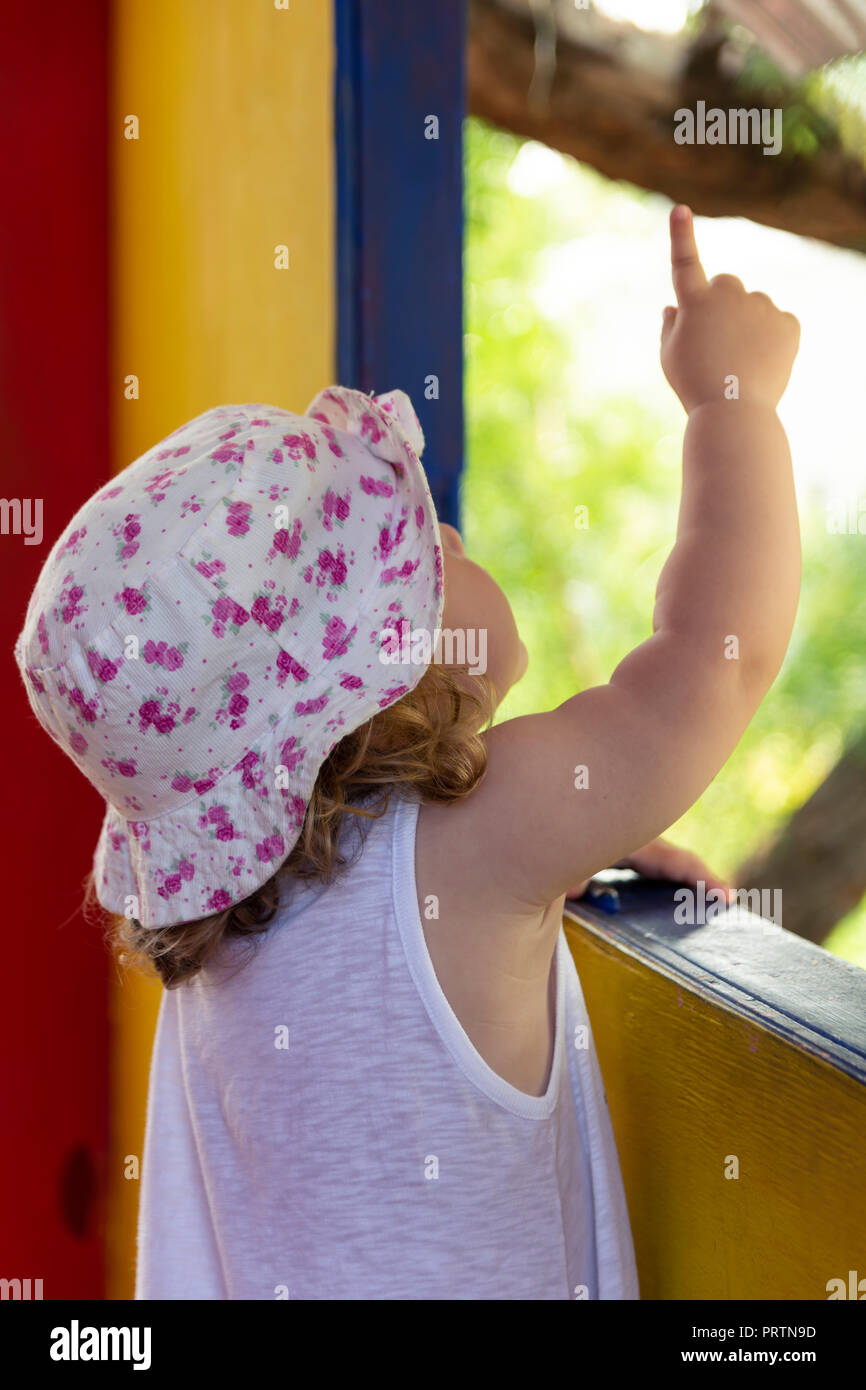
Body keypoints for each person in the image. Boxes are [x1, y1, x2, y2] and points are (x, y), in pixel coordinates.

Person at [14, 206, 799, 1300]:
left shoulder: (238, 920)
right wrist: (734, 404)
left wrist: (561, 850)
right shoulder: (473, 851)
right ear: (372, 675)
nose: (457, 539)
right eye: (423, 542)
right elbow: (712, 662)